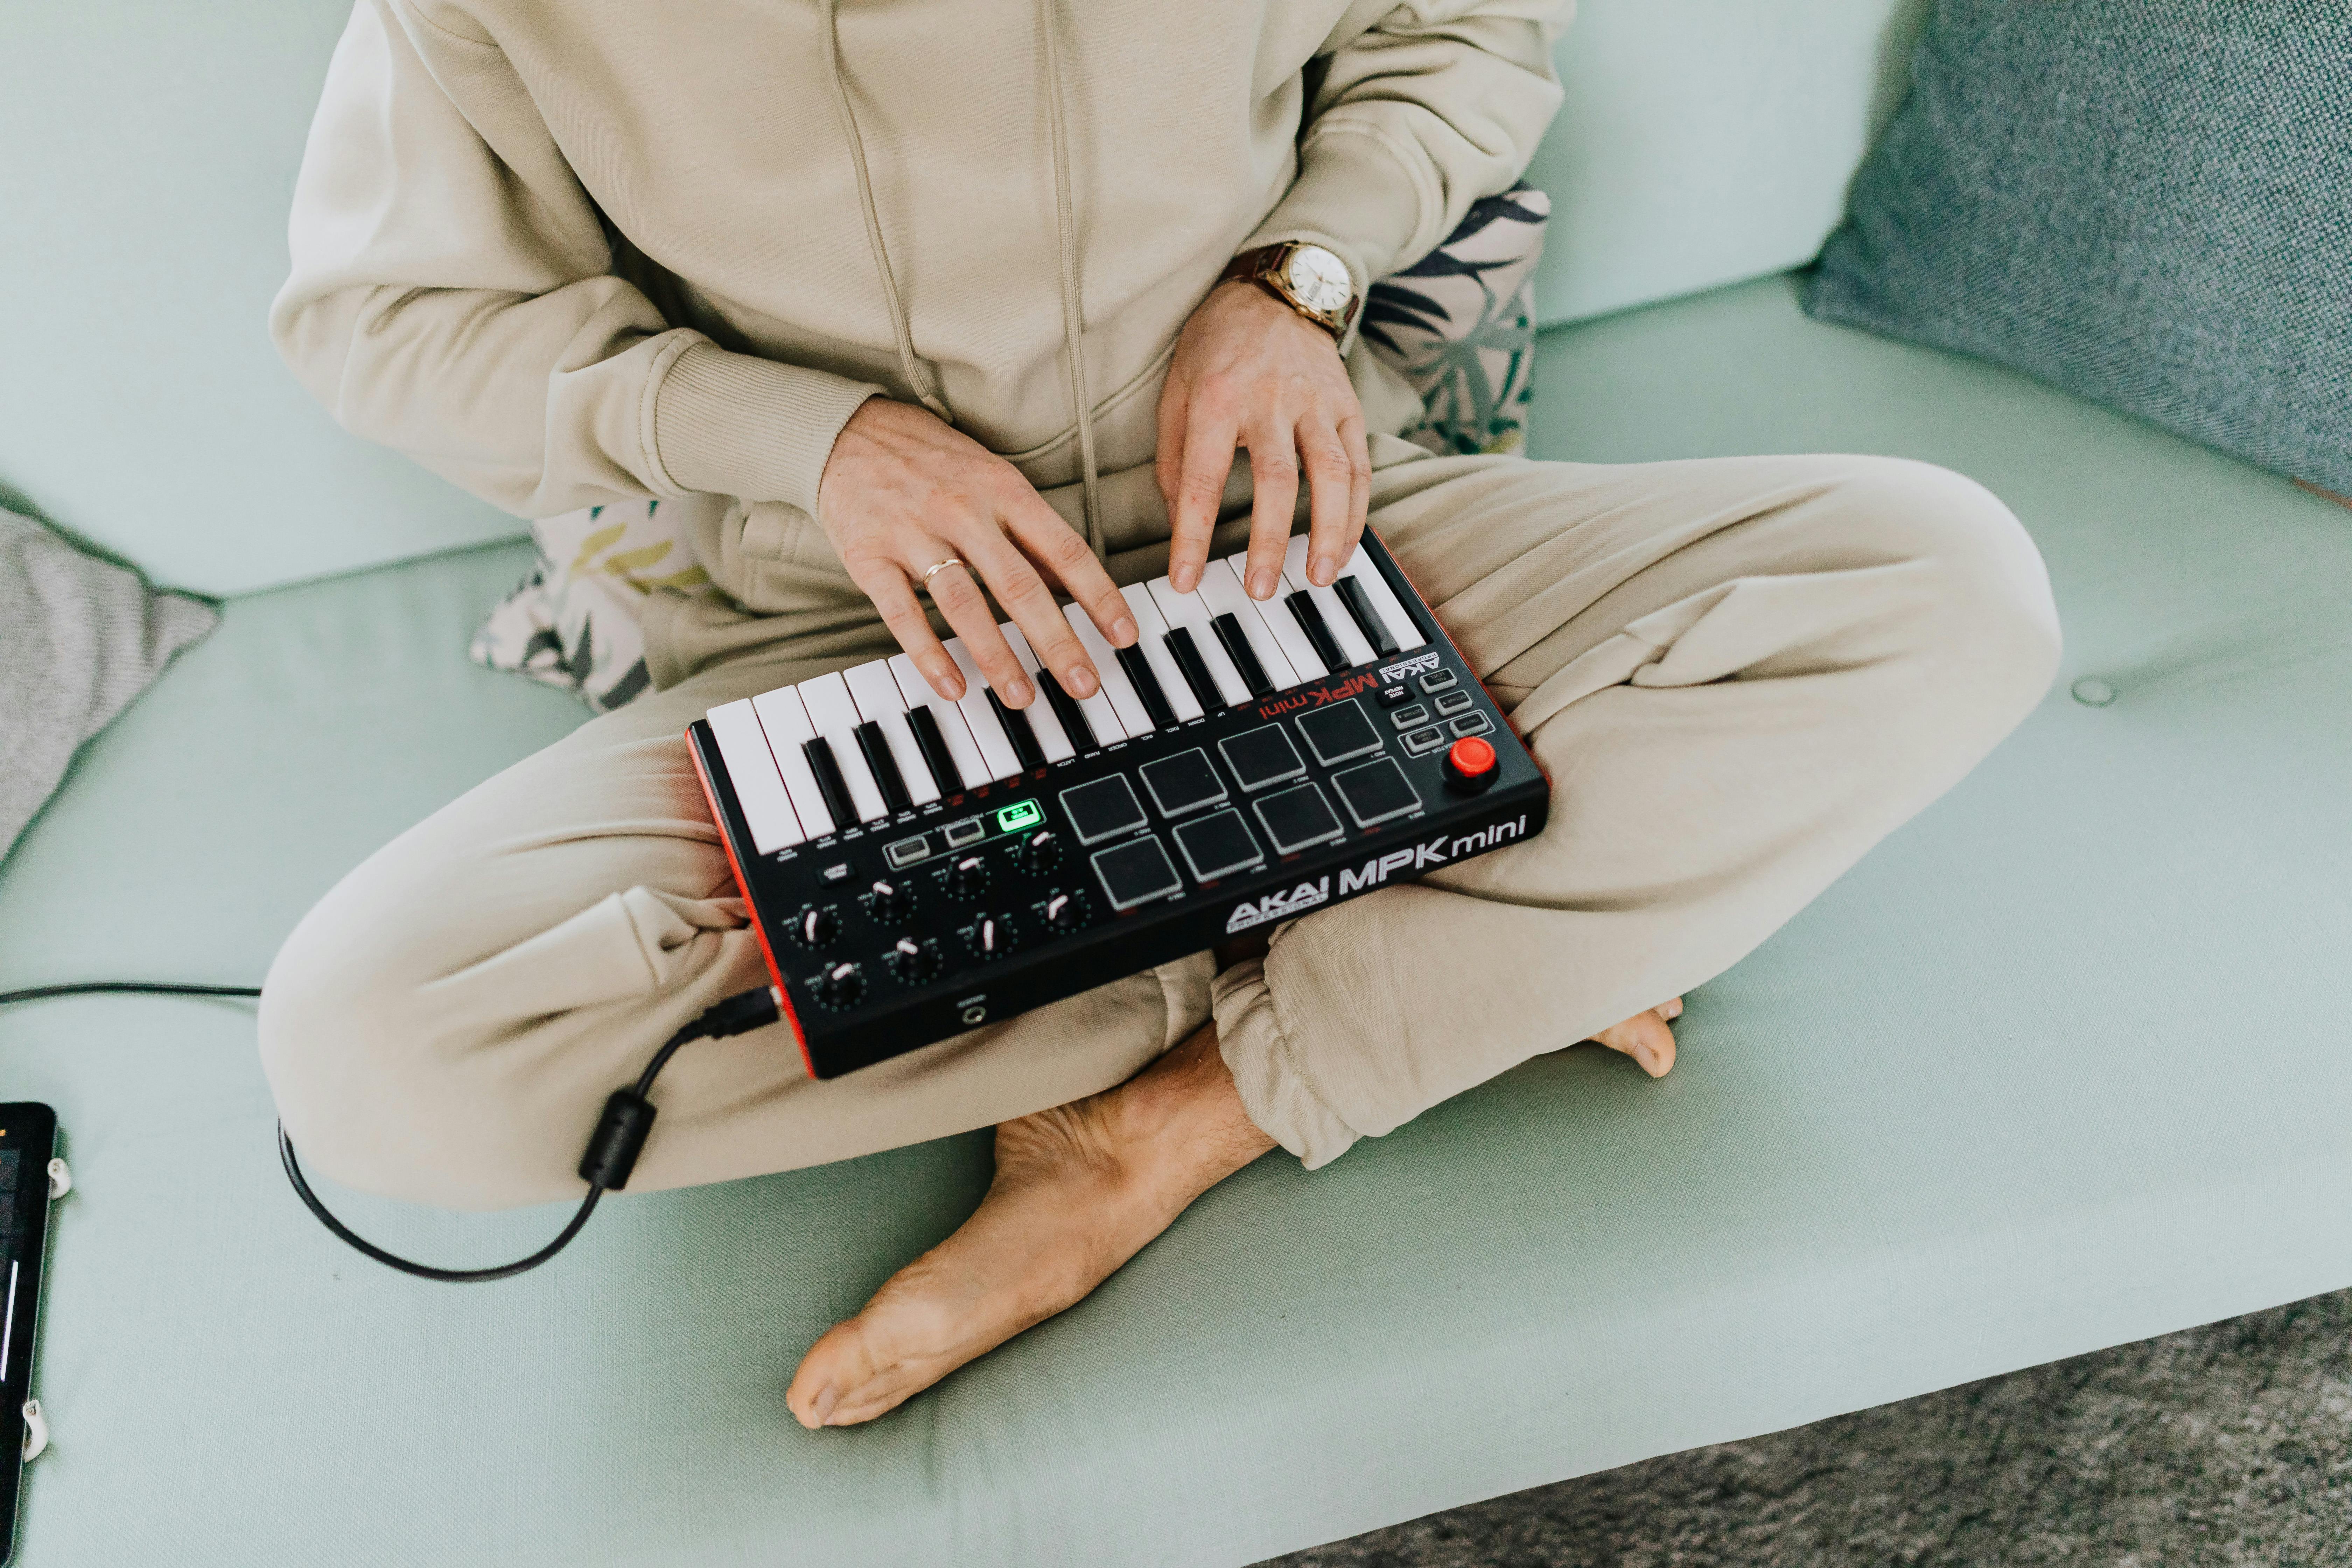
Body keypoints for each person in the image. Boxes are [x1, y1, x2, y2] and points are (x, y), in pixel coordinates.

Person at [258, 0, 2061, 1431]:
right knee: (364, 1051)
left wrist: (1301, 283)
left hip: (1308, 538)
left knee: (1949, 587)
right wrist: (804, 443)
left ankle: (1183, 1116)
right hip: (864, 643)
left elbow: (1468, 32)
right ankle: (1403, 928)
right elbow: (385, 317)